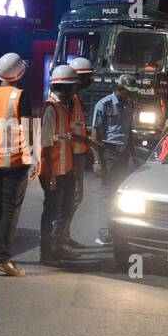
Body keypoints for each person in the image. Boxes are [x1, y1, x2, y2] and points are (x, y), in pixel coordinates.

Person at [0, 53, 33, 277]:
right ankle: (2, 258)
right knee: (10, 209)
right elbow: (30, 131)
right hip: (14, 160)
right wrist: (34, 159)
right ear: (19, 73)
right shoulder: (20, 96)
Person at [38, 64, 81, 266]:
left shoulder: (63, 107)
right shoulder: (50, 108)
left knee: (62, 210)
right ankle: (46, 253)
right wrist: (52, 176)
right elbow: (46, 143)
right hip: (53, 172)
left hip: (64, 169)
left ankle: (57, 248)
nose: (75, 91)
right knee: (50, 213)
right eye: (73, 87)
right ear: (65, 88)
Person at [56, 57, 101, 249]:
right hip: (71, 155)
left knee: (74, 197)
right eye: (88, 76)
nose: (90, 80)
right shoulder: (69, 101)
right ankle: (59, 238)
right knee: (70, 197)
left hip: (77, 153)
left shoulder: (75, 98)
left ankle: (63, 236)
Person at [92, 74, 136, 246]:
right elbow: (94, 134)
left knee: (119, 192)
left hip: (123, 154)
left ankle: (115, 228)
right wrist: (97, 161)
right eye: (127, 92)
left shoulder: (129, 105)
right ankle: (103, 232)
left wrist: (133, 156)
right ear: (119, 89)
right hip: (108, 153)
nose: (130, 95)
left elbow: (129, 132)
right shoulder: (104, 105)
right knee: (106, 193)